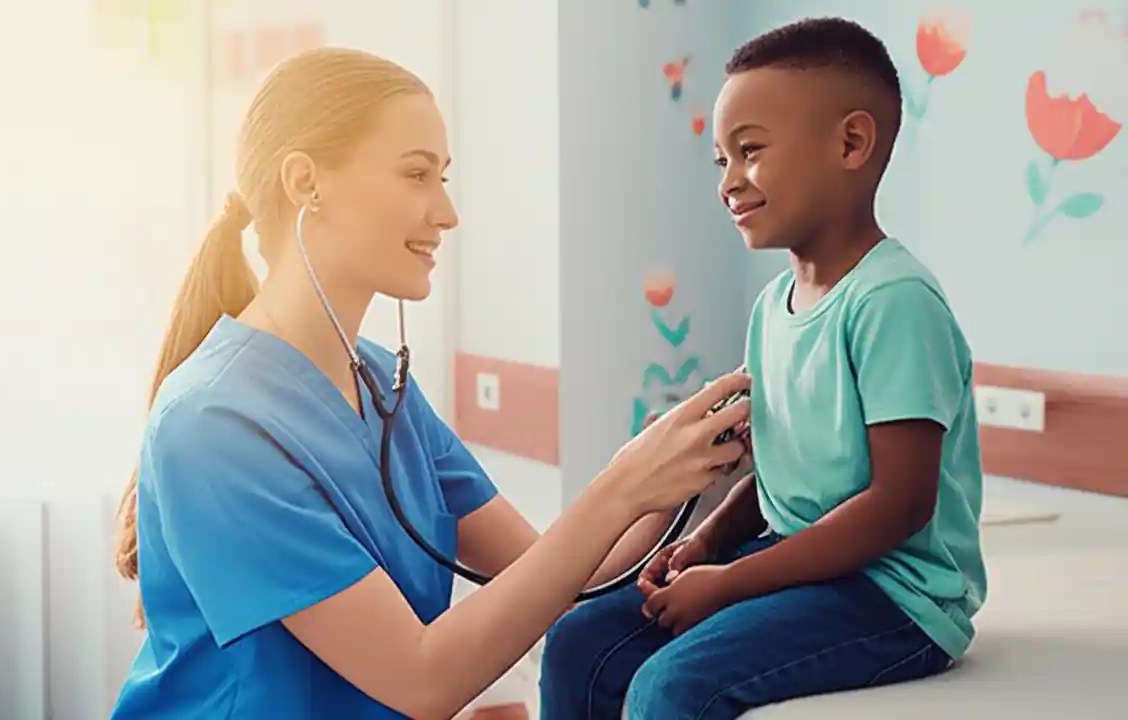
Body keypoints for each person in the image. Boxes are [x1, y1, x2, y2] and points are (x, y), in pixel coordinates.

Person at [108, 47, 753, 719]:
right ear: (306, 182)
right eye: (418, 174)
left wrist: (679, 463)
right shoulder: (213, 426)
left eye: (443, 178)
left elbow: (562, 577)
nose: (447, 213)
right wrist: (624, 481)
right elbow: (420, 681)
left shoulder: (384, 386)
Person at [540, 17, 987, 719]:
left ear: (851, 143)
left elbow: (900, 506)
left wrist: (733, 582)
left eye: (749, 152)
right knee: (578, 644)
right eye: (721, 160)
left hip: (893, 593)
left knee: (672, 687)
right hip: (799, 559)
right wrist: (709, 541)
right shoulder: (773, 304)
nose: (729, 181)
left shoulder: (894, 301)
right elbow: (783, 475)